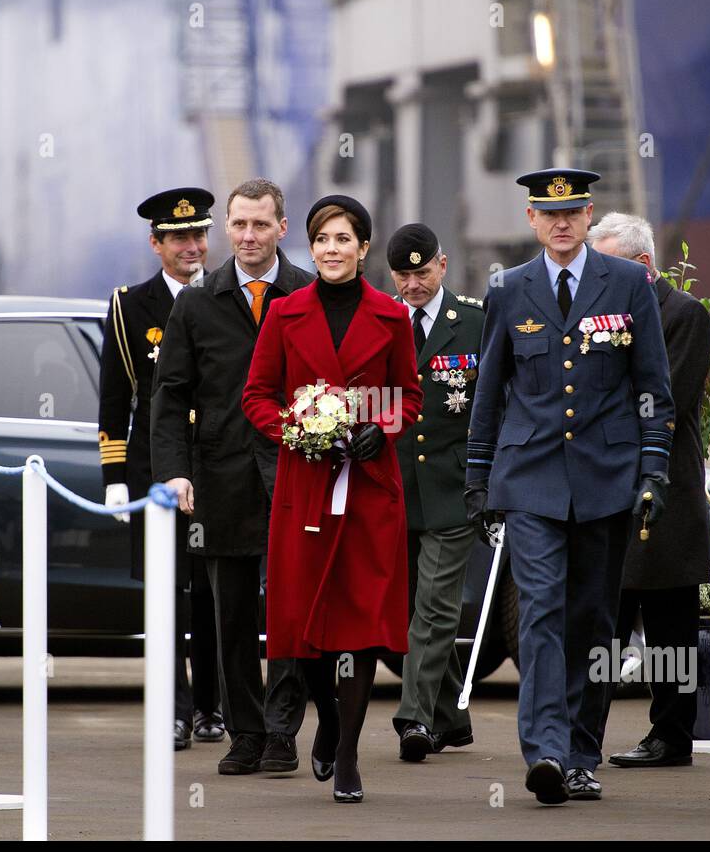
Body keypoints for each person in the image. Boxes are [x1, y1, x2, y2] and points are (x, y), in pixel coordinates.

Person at [464, 169, 675, 805]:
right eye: (548, 212)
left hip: (605, 480)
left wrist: (654, 469)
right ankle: (548, 752)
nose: (561, 222)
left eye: (574, 211)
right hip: (530, 479)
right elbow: (489, 389)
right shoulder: (509, 289)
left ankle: (583, 750)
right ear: (531, 219)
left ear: (589, 217)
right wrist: (477, 476)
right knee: (541, 612)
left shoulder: (631, 284)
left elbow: (652, 386)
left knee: (593, 618)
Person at [241, 194, 423, 802]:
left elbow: (410, 396)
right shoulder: (286, 314)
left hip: (371, 492)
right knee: (303, 623)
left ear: (364, 248)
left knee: (363, 625)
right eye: (322, 240)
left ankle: (347, 752)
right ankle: (324, 715)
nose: (331, 250)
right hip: (308, 487)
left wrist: (384, 425)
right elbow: (257, 396)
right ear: (310, 247)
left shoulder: (391, 316)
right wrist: (295, 429)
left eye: (343, 239)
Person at [151, 177, 335, 776]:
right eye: (239, 225)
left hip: (297, 473)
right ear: (226, 229)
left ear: (283, 228)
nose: (249, 236)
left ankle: (283, 731)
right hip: (221, 477)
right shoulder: (197, 303)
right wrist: (176, 473)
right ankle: (245, 732)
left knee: (292, 608)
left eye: (261, 224)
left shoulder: (308, 294)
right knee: (230, 613)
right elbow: (170, 398)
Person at [585, 212, 710, 770]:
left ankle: (672, 736)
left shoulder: (683, 315)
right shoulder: (603, 310)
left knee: (670, 628)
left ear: (642, 265)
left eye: (608, 263)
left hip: (664, 493)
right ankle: (582, 734)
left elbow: (665, 400)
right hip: (607, 489)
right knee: (602, 625)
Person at [97, 186, 220, 751]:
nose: (191, 246)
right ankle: (174, 708)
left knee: (214, 592)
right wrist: (115, 477)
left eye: (198, 234)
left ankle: (213, 708)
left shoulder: (230, 295)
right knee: (166, 595)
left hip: (218, 466)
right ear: (156, 244)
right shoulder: (129, 305)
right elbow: (115, 398)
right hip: (154, 470)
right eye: (178, 238)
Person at [385, 223, 486, 761]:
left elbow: (493, 404)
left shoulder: (474, 322)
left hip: (453, 490)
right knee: (405, 611)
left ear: (443, 266)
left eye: (423, 273)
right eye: (403, 274)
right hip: (394, 490)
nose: (413, 284)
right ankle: (451, 717)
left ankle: (415, 718)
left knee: (436, 608)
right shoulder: (381, 321)